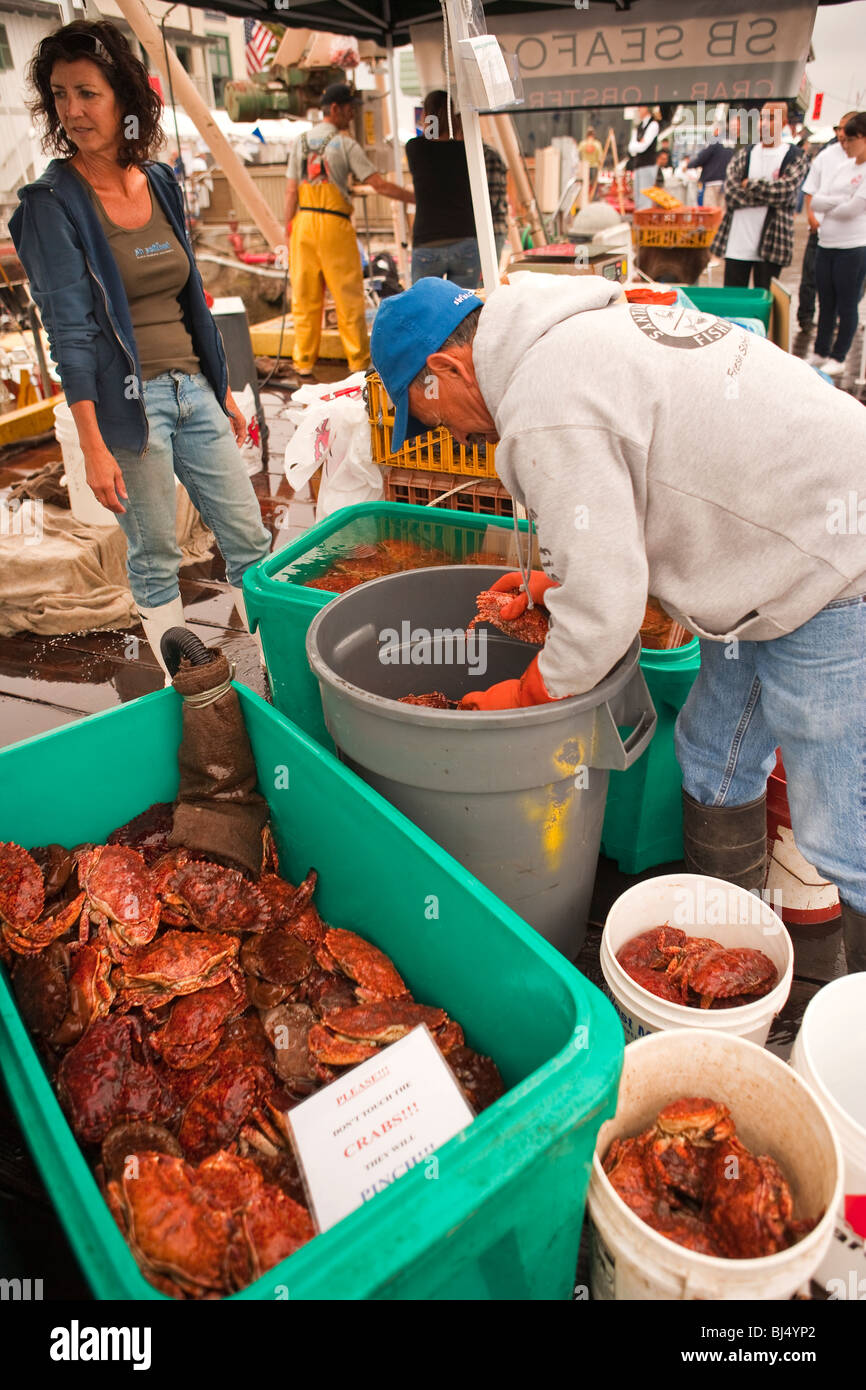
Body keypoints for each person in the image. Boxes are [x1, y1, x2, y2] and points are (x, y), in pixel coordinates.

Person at [370, 274, 866, 973]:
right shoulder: (572, 332)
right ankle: (728, 960)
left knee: (847, 834)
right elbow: (631, 517)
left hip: (834, 556)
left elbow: (605, 612)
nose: (444, 430)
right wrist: (557, 584)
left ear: (443, 370)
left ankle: (848, 1038)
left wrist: (524, 695)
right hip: (768, 548)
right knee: (711, 756)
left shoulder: (547, 404)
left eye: (429, 415)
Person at [9, 19, 270, 678]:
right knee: (154, 556)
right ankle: (186, 693)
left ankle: (276, 674)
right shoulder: (51, 203)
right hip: (130, 405)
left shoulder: (158, 181)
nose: (73, 110)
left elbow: (192, 294)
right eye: (61, 95)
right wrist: (94, 446)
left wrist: (222, 386)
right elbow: (68, 332)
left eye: (88, 93)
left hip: (193, 388)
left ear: (126, 98)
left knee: (250, 542)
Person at [284, 82, 413, 376]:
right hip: (333, 223)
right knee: (348, 296)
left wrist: (286, 230)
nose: (352, 116)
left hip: (302, 222)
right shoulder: (345, 144)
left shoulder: (299, 142)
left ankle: (302, 364)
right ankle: (357, 362)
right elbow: (378, 184)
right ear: (335, 109)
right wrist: (413, 197)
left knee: (304, 297)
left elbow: (291, 191)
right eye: (349, 110)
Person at [712, 101, 808, 288]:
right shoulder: (745, 154)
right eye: (762, 118)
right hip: (737, 245)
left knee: (763, 305)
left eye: (771, 118)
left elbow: (785, 193)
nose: (764, 123)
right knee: (733, 306)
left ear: (784, 122)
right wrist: (767, 193)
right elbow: (731, 194)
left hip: (773, 244)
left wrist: (749, 185)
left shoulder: (794, 156)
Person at [809, 111, 866, 377]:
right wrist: (838, 201)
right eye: (842, 139)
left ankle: (839, 354)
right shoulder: (845, 166)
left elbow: (854, 209)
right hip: (827, 243)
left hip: (852, 247)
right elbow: (818, 200)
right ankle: (821, 350)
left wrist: (835, 203)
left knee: (847, 302)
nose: (844, 145)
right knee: (826, 301)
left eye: (849, 139)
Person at [405, 92, 480, 288]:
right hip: (465, 239)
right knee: (465, 309)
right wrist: (452, 124)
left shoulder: (415, 148)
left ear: (426, 116)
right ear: (453, 116)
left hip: (428, 241)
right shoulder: (465, 149)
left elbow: (430, 138)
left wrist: (432, 120)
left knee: (426, 309)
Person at [798, 112, 857, 334]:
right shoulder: (826, 156)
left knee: (846, 285)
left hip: (852, 238)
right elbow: (811, 191)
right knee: (811, 278)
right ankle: (806, 320)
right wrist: (812, 217)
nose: (842, 134)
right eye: (839, 129)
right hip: (821, 230)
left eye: (847, 130)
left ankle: (840, 322)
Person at [685, 127, 735, 208]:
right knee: (721, 212)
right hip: (726, 182)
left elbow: (703, 157)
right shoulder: (732, 143)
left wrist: (689, 165)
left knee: (710, 213)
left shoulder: (715, 141)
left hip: (712, 182)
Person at [626, 104, 659, 209]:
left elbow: (643, 147)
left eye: (641, 107)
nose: (638, 110)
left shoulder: (653, 125)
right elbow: (631, 148)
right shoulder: (638, 127)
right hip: (638, 166)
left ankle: (644, 223)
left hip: (648, 166)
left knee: (645, 200)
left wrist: (638, 144)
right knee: (638, 199)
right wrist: (638, 144)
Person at [578, 126, 603, 197]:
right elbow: (600, 157)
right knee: (594, 184)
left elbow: (577, 154)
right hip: (594, 166)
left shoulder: (582, 144)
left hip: (585, 166)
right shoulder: (597, 144)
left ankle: (584, 197)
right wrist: (600, 163)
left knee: (585, 184)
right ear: (594, 135)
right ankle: (594, 197)